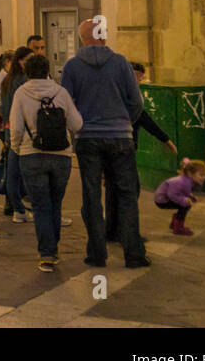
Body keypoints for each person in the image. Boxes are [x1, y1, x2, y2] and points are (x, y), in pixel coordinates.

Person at [59, 18, 148, 269]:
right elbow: (137, 102)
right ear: (104, 36)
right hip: (120, 136)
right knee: (126, 194)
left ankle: (97, 254)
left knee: (91, 195)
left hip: (88, 138)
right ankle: (134, 253)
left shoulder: (72, 66)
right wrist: (123, 123)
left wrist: (79, 128)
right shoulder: (120, 63)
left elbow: (67, 105)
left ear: (82, 39)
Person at [10, 53, 84, 271]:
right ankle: (54, 248)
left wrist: (18, 148)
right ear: (47, 70)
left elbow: (15, 128)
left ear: (27, 72)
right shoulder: (61, 92)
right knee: (55, 203)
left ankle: (47, 254)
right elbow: (77, 124)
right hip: (61, 156)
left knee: (41, 205)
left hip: (31, 155)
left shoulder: (21, 93)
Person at [105, 61, 178, 242]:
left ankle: (112, 230)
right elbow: (143, 118)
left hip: (113, 148)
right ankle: (126, 233)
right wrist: (165, 139)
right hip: (122, 149)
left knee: (115, 190)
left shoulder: (117, 92)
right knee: (129, 190)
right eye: (138, 75)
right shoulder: (128, 95)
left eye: (141, 76)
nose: (140, 79)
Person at [0, 46, 34, 222]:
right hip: (19, 131)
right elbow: (10, 110)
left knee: (14, 172)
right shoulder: (19, 81)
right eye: (26, 60)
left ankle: (18, 209)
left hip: (13, 130)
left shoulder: (10, 80)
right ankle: (19, 209)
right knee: (18, 172)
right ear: (19, 61)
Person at [154, 158, 205, 236]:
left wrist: (190, 197)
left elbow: (184, 192)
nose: (204, 177)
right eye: (201, 175)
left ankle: (175, 223)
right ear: (190, 173)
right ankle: (178, 227)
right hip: (162, 200)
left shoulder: (188, 181)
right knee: (185, 205)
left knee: (186, 204)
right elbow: (172, 194)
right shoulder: (183, 182)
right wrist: (183, 200)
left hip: (166, 198)